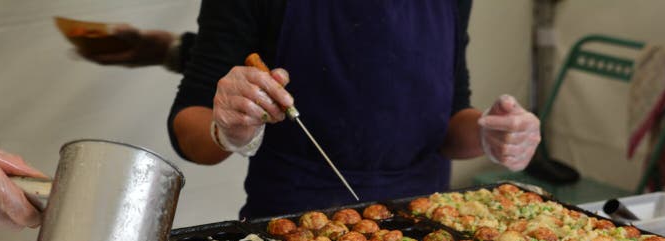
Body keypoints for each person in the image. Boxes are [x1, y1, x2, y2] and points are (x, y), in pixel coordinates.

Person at [165, 0, 541, 219]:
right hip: (295, 227)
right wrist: (228, 129)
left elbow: (448, 119)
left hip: (423, 227)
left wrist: (487, 133)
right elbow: (187, 123)